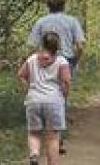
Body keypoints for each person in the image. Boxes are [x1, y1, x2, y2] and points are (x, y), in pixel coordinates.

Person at [29, 0, 85, 152]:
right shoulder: (72, 21)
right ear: (63, 5)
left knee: (43, 92)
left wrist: (35, 61)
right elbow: (80, 45)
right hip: (65, 60)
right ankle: (56, 138)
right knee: (61, 97)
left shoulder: (41, 22)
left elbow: (32, 45)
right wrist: (75, 60)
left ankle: (42, 136)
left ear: (48, 6)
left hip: (45, 61)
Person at [18, 30, 71, 165]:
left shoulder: (32, 59)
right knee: (53, 138)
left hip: (33, 100)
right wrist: (65, 96)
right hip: (54, 100)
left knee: (34, 133)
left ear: (42, 43)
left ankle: (34, 155)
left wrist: (28, 89)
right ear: (57, 46)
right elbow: (66, 81)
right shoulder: (61, 61)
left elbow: (21, 75)